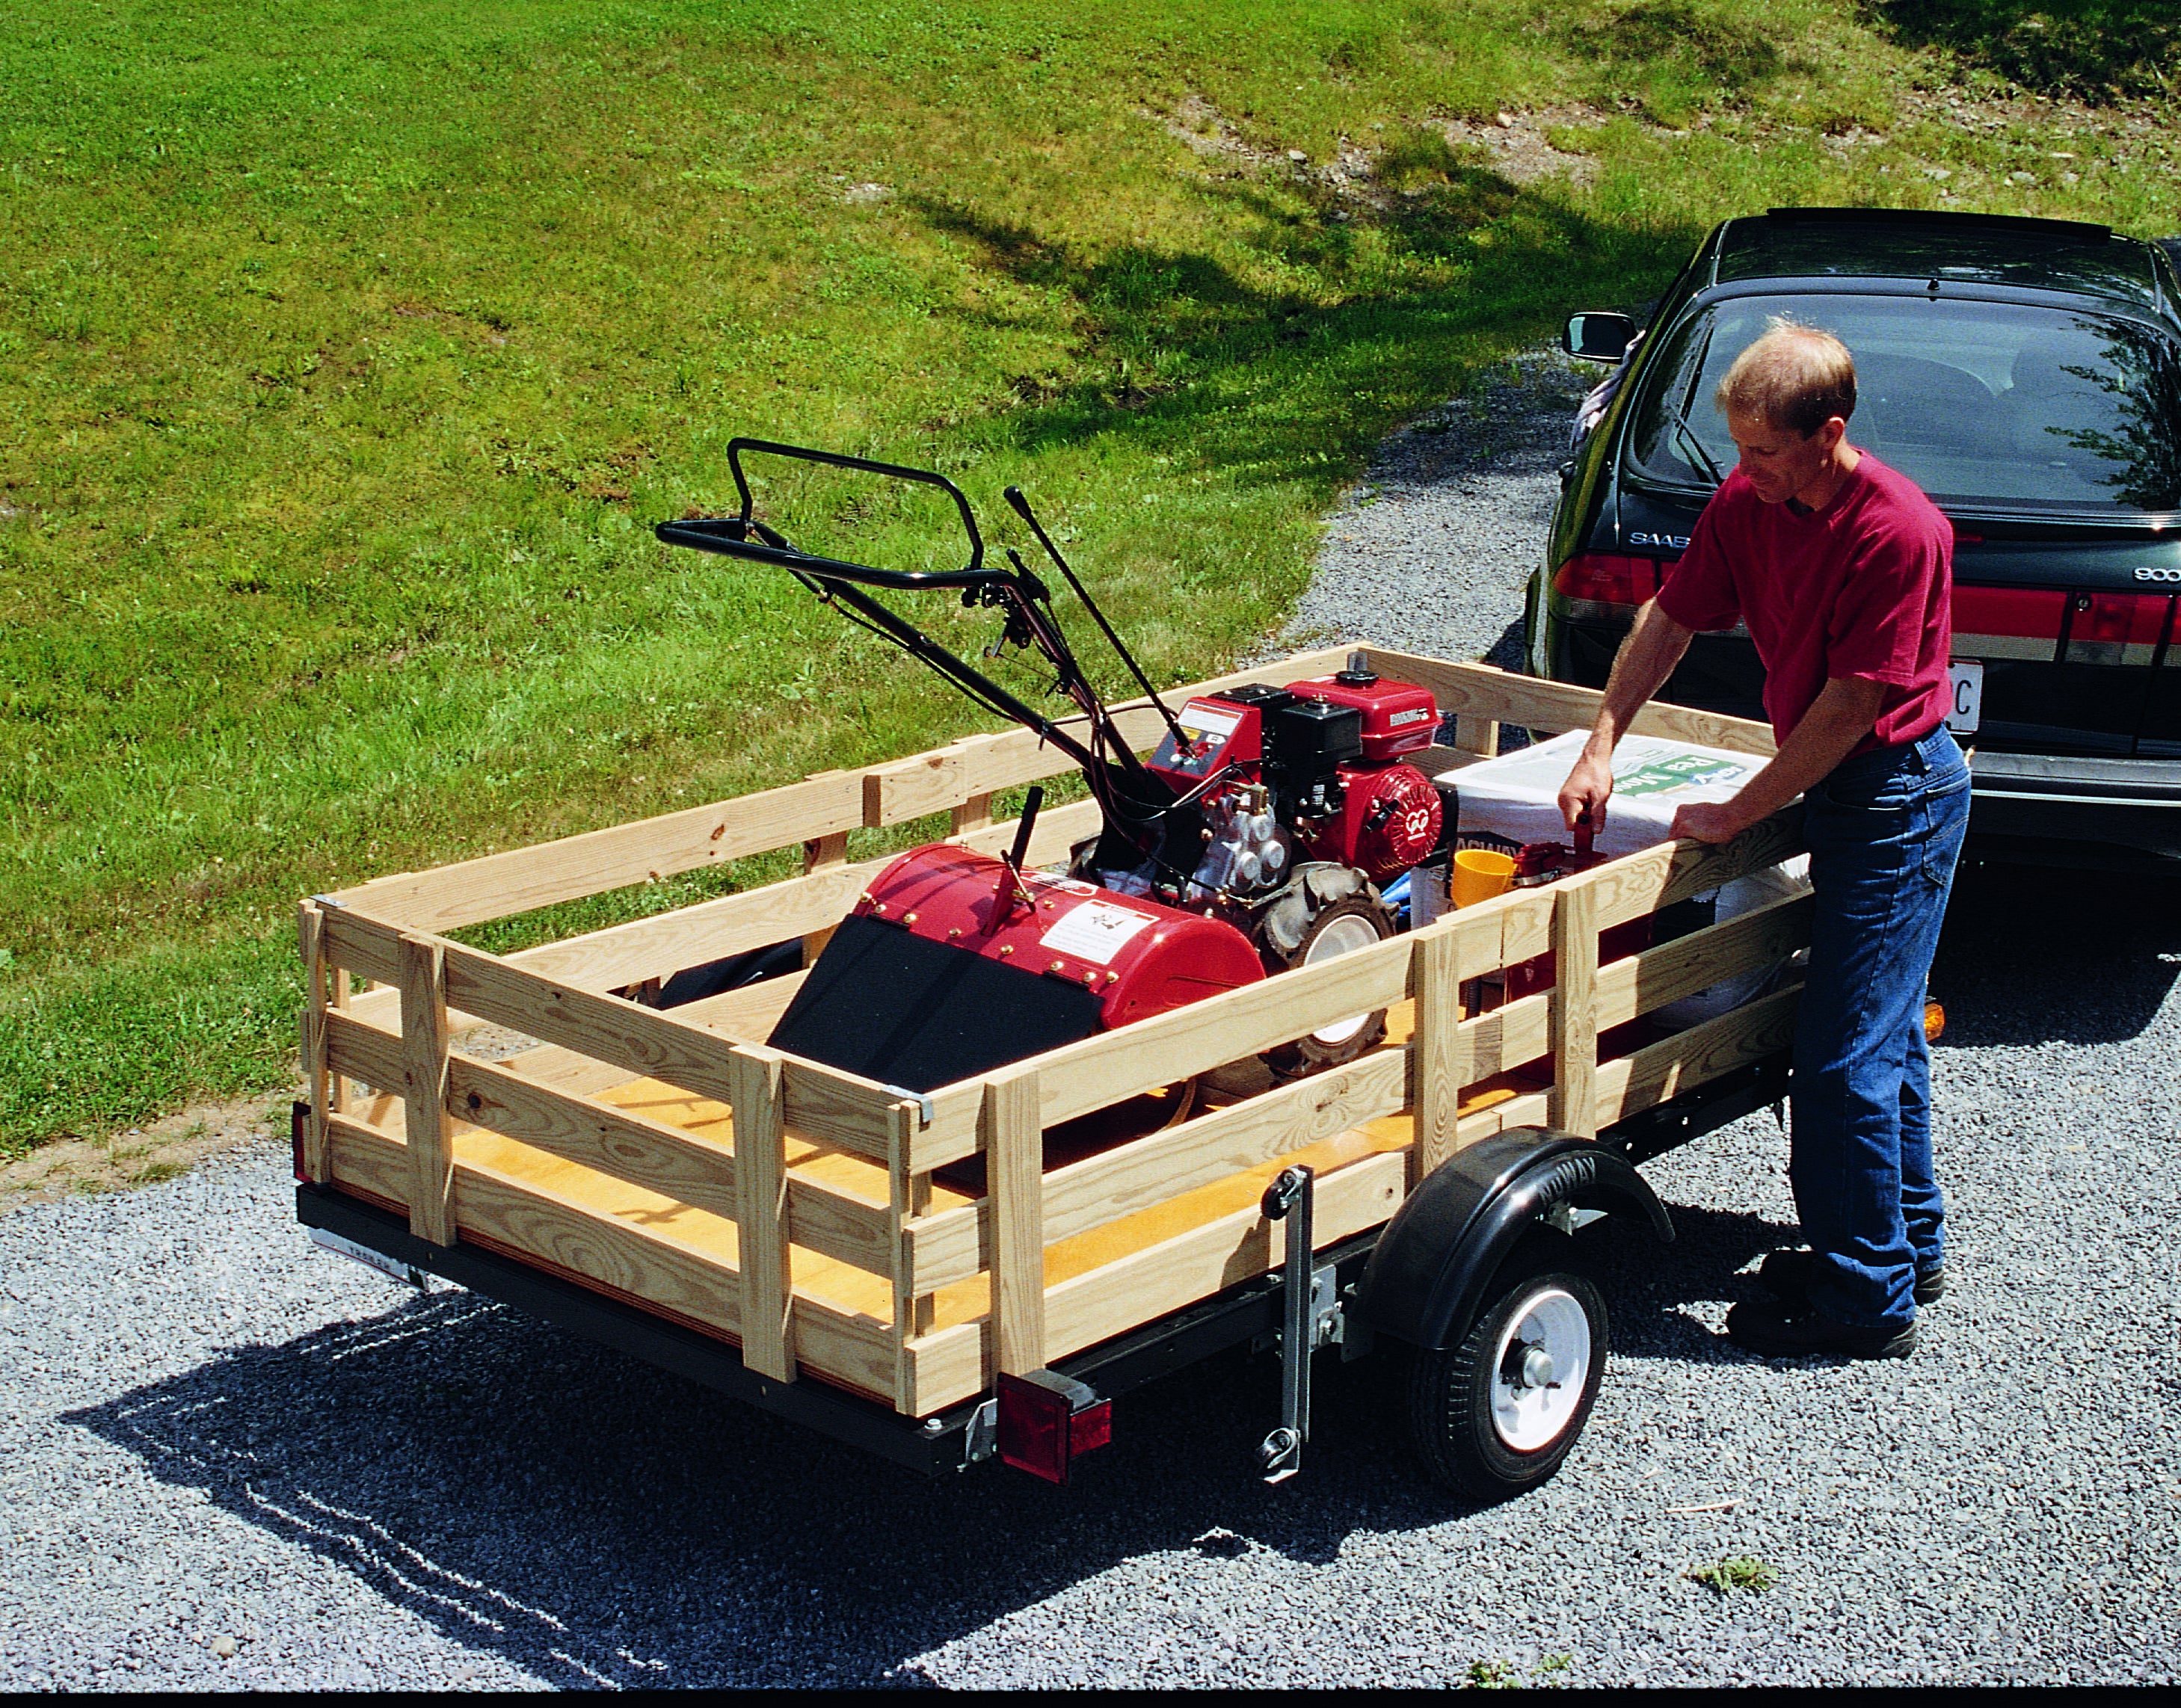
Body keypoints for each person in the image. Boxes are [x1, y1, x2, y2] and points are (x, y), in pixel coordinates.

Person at [1556, 318, 1969, 1360]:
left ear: (1828, 433)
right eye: (1737, 448)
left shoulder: (1898, 531)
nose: (1741, 471)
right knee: (1877, 1034)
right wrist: (1601, 741)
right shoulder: (1752, 503)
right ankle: (1902, 1244)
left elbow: (1849, 706)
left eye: (1762, 452)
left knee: (1836, 1057)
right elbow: (1669, 619)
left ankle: (1864, 1301)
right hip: (1844, 785)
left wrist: (1738, 813)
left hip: (1896, 794)